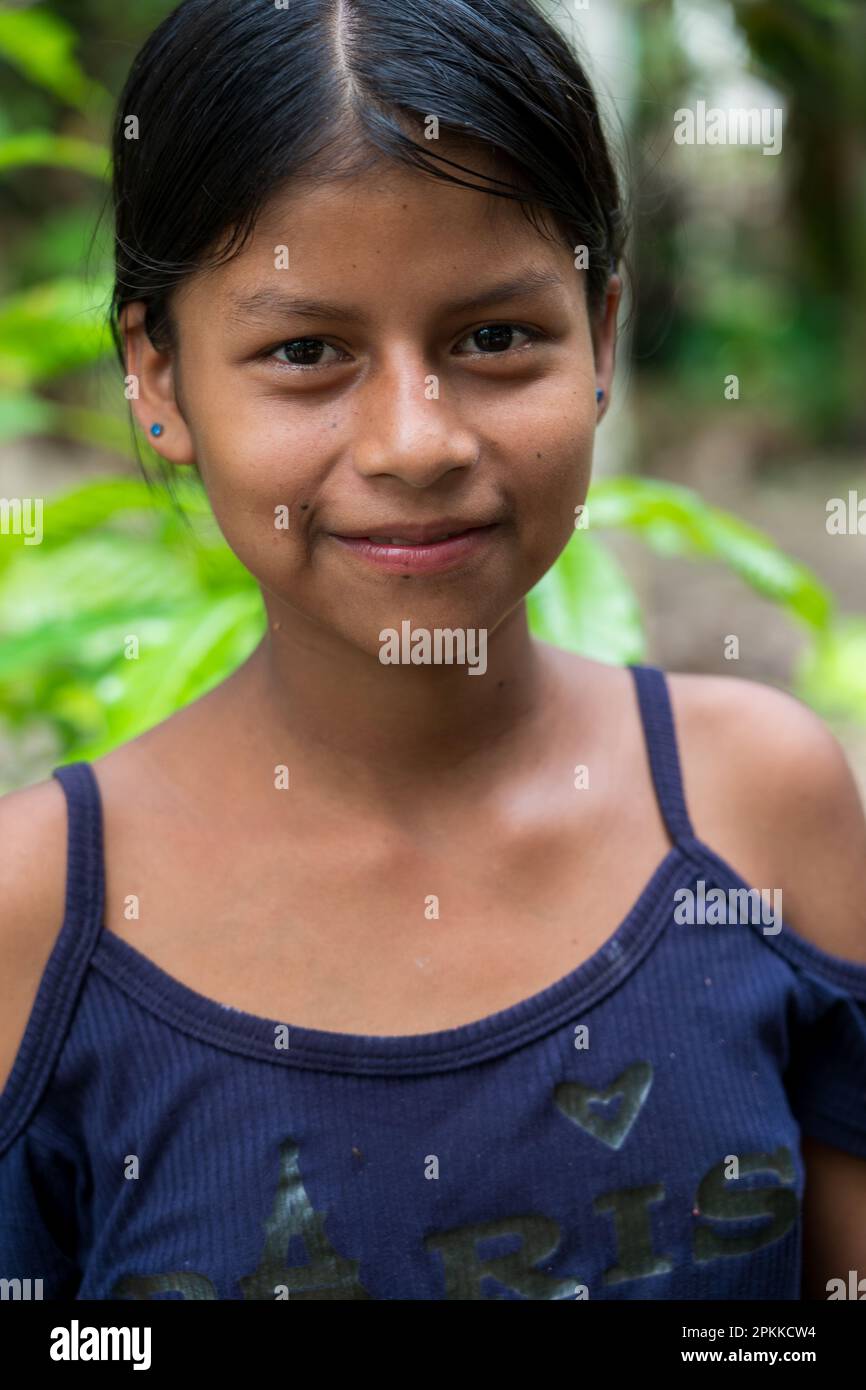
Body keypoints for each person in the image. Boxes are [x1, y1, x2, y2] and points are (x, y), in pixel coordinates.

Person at [1, 0, 864, 1302]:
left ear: (602, 338)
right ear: (160, 379)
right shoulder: (36, 914)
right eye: (304, 352)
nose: (417, 441)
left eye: (495, 338)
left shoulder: (760, 808)